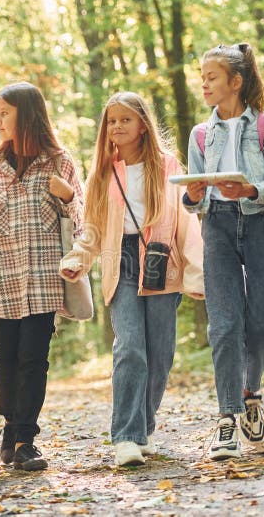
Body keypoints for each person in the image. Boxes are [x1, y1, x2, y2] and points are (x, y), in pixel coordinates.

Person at [59, 92, 204, 466]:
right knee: (130, 348)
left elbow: (186, 223)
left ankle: (144, 427)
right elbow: (91, 229)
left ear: (143, 125)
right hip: (118, 259)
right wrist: (79, 257)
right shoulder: (103, 173)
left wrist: (196, 272)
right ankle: (126, 436)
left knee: (160, 354)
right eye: (111, 121)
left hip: (161, 261)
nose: (117, 127)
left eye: (125, 120)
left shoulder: (168, 165)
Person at [0, 81, 84, 471]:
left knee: (33, 360)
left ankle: (26, 439)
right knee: (4, 360)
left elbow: (82, 223)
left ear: (27, 115)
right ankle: (10, 425)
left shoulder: (60, 163)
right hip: (3, 282)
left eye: (5, 112)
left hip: (44, 282)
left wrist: (69, 197)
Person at [184, 43, 264, 460]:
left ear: (236, 82)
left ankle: (251, 395)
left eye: (212, 77)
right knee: (224, 325)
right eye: (202, 77)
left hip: (262, 225)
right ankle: (227, 420)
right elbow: (194, 201)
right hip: (219, 229)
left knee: (261, 326)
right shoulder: (199, 133)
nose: (205, 84)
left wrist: (251, 189)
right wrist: (193, 196)